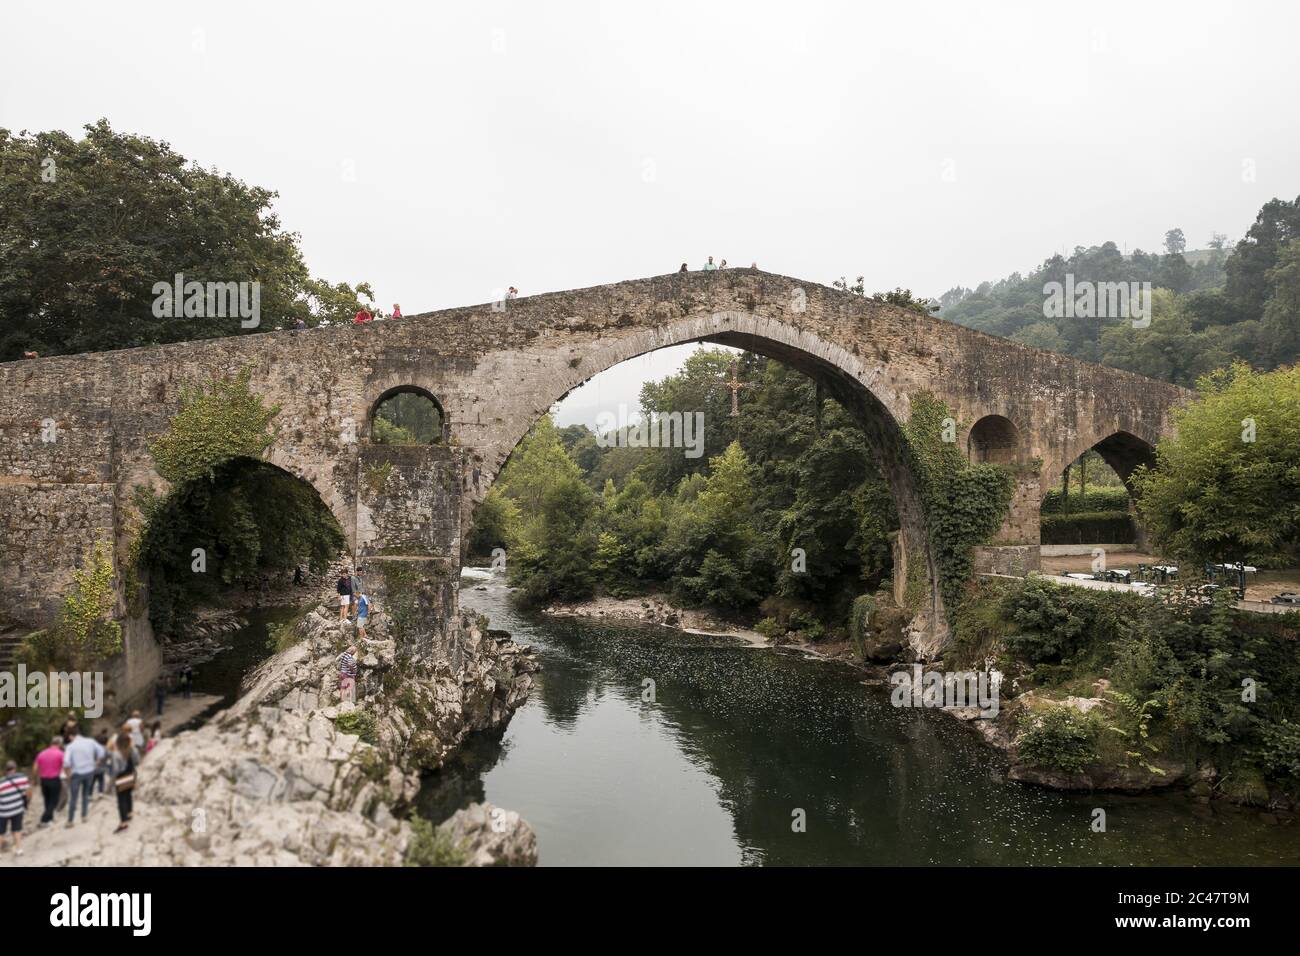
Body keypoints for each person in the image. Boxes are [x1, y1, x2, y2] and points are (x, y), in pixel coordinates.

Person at [62, 726, 105, 826]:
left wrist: (68, 776)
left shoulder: (70, 746)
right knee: (85, 794)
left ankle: (70, 820)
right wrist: (97, 762)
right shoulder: (90, 741)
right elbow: (101, 752)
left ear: (71, 736)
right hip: (90, 771)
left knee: (74, 797)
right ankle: (84, 816)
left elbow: (66, 762)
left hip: (76, 773)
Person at [32, 736, 64, 826]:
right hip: (54, 779)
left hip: (43, 780)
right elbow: (65, 766)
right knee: (54, 800)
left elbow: (34, 768)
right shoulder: (61, 753)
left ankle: (50, 819)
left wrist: (34, 779)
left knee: (47, 799)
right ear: (60, 744)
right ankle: (44, 819)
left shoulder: (41, 753)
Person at [0, 760, 30, 856]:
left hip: (3, 811)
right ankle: (19, 849)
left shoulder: (1, 782)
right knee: (17, 829)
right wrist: (27, 803)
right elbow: (28, 792)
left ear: (6, 770)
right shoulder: (22, 778)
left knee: (1, 832)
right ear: (15, 768)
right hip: (17, 809)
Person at [110, 732, 138, 834]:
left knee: (121, 799)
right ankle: (130, 813)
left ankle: (123, 823)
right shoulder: (133, 750)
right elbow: (137, 761)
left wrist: (111, 782)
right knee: (128, 794)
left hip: (121, 778)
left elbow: (116, 770)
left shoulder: (116, 753)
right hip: (131, 776)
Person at [92, 730, 111, 796]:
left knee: (92, 781)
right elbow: (109, 756)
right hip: (102, 767)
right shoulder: (106, 749)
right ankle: (100, 792)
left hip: (93, 767)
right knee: (101, 780)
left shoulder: (94, 749)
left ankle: (89, 794)